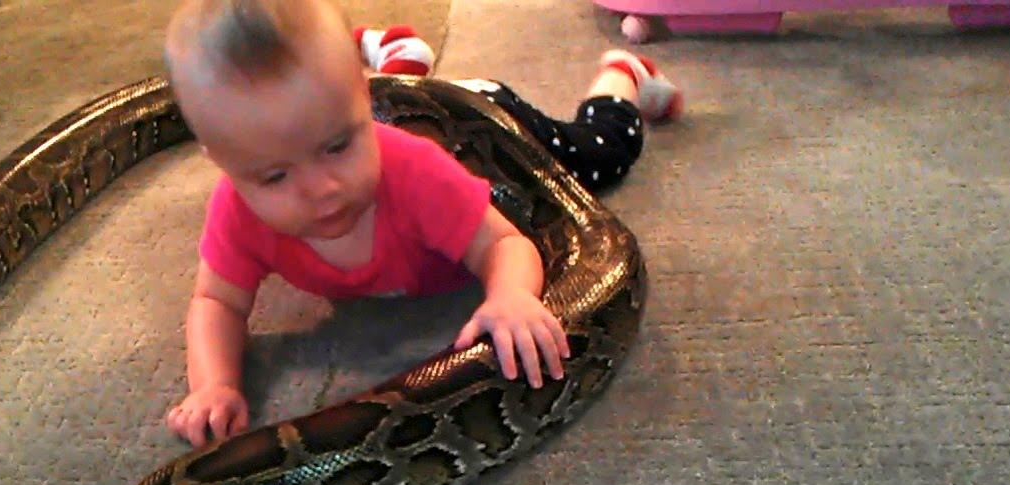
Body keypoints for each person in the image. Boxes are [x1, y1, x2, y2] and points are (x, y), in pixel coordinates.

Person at [162, 0, 682, 448]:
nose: (321, 188)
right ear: (222, 162)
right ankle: (391, 52)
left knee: (597, 158)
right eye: (274, 176)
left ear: (366, 101)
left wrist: (510, 295)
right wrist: (214, 384)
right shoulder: (237, 210)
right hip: (384, 100)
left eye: (338, 146)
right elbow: (216, 302)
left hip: (485, 120)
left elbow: (503, 242)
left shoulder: (415, 172)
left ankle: (624, 78)